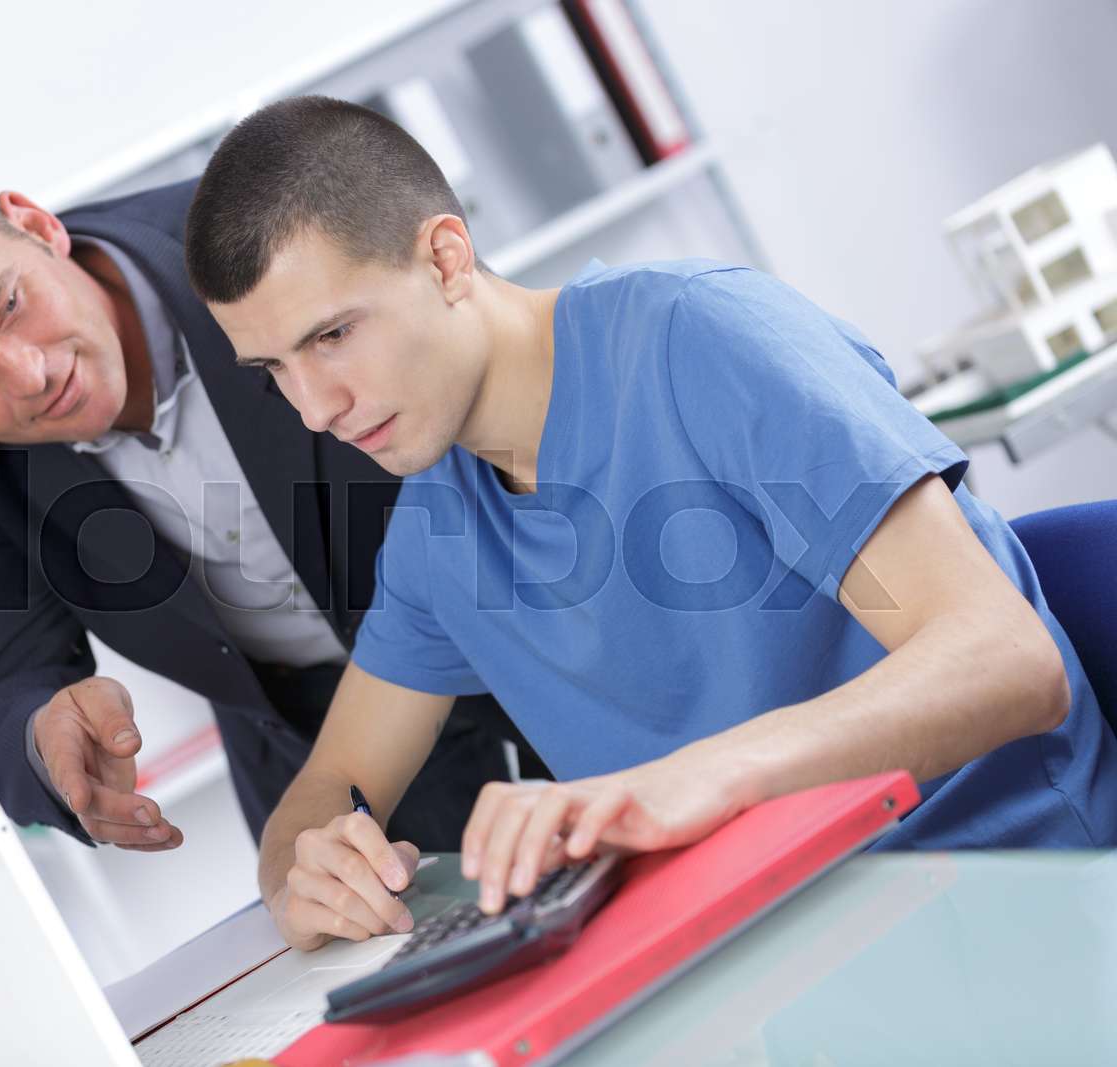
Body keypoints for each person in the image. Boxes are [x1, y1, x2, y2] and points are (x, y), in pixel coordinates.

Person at [182, 95, 1117, 951]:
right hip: (765, 961)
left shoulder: (702, 339)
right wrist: (304, 868)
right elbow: (326, 785)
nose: (314, 408)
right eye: (273, 370)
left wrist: (700, 779)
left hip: (1008, 904)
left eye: (332, 336)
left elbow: (1007, 659)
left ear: (445, 258)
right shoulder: (437, 526)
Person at [0, 172, 547, 856]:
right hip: (318, 753)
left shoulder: (269, 218)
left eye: (11, 306)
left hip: (532, 632)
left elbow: (512, 407)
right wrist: (41, 735)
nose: (31, 375)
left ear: (35, 226)